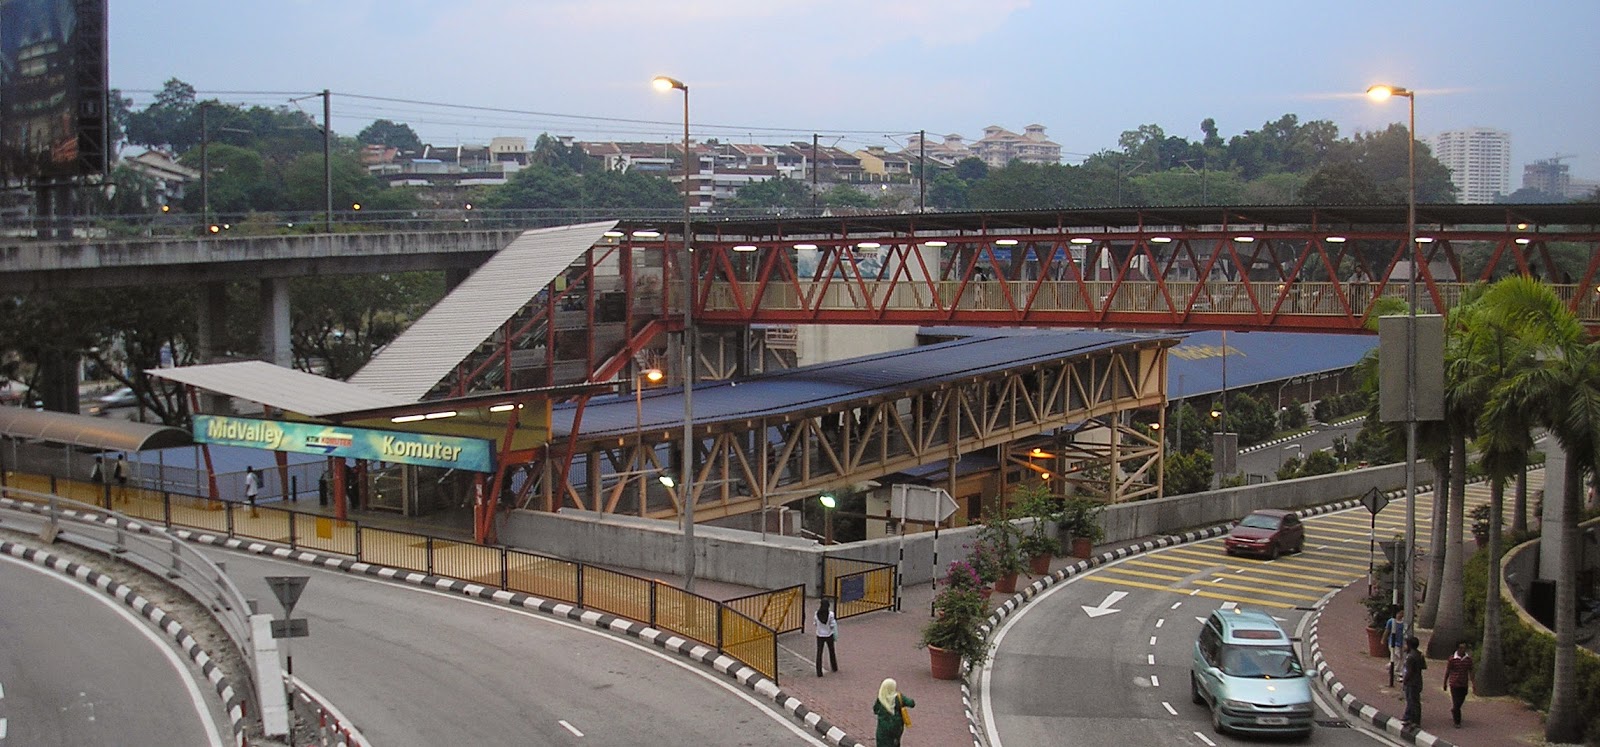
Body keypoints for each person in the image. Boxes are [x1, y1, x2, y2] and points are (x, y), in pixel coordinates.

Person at [873, 678, 914, 747]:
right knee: (895, 743)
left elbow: (875, 710)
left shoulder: (881, 698)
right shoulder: (899, 697)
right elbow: (912, 704)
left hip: (883, 727)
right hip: (896, 726)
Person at [1443, 641, 1475, 727]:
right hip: (1454, 683)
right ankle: (1457, 721)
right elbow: (1448, 671)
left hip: (1464, 684)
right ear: (1457, 648)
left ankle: (1455, 710)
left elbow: (1471, 671)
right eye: (1461, 648)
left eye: (1464, 648)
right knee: (1456, 701)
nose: (1463, 650)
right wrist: (1445, 683)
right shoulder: (1452, 659)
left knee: (1461, 700)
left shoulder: (1468, 659)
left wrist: (1473, 683)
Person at [1401, 636, 1426, 727]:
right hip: (1418, 681)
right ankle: (1408, 717)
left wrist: (1405, 681)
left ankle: (1414, 720)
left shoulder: (1410, 657)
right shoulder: (1419, 655)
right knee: (1413, 700)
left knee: (1412, 701)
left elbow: (1409, 672)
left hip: (1412, 682)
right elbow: (1424, 666)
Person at [814, 598, 838, 677]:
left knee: (819, 653)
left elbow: (815, 623)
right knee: (831, 651)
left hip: (819, 635)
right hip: (829, 634)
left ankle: (819, 672)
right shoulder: (831, 614)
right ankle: (834, 667)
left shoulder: (817, 614)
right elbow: (832, 625)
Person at [1384, 608, 1407, 683]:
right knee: (1397, 657)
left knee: (1400, 658)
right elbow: (1387, 630)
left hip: (1401, 642)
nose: (1401, 615)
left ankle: (1391, 666)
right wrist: (1383, 639)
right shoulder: (1391, 621)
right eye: (1400, 613)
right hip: (1393, 642)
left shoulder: (1404, 622)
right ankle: (1396, 672)